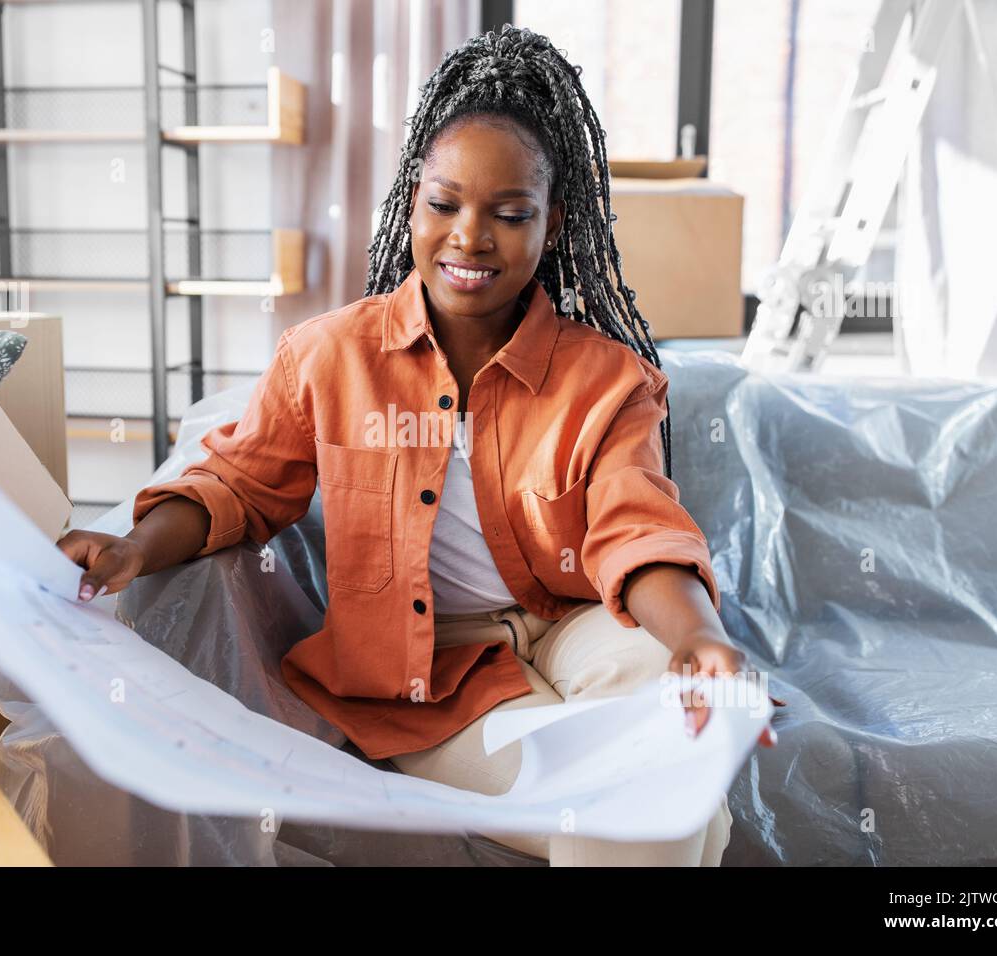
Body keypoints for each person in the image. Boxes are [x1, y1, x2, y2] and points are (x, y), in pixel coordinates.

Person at [56, 23, 776, 867]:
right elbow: (238, 486)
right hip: (430, 672)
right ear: (412, 199)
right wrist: (136, 546)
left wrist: (694, 639)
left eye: (510, 214)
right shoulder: (328, 356)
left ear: (553, 221)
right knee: (637, 802)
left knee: (660, 748)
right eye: (444, 204)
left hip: (581, 622)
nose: (470, 238)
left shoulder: (607, 378)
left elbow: (635, 527)